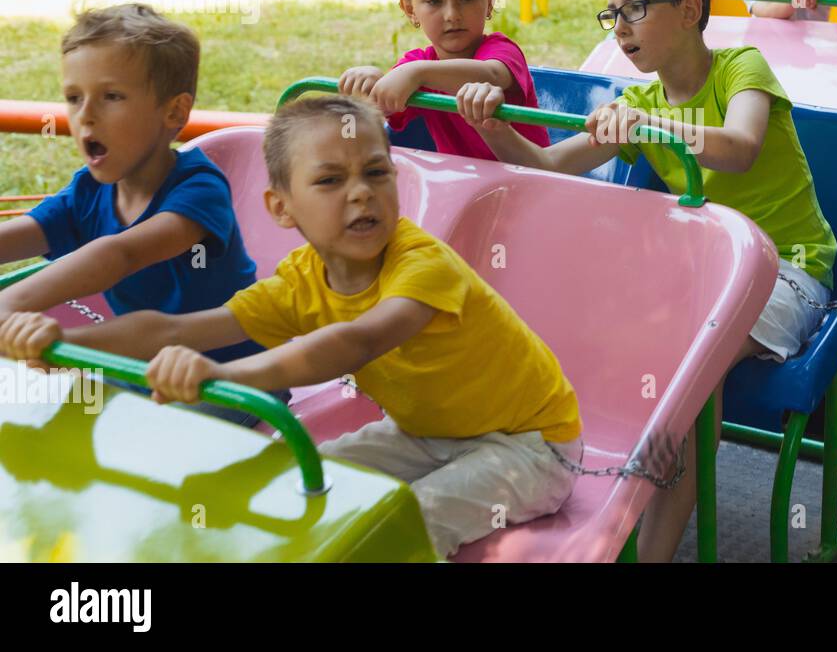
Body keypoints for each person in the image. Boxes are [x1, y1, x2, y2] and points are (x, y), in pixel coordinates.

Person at [0, 95, 583, 559]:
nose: (360, 192)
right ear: (282, 208)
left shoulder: (421, 263)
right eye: (329, 181)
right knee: (307, 486)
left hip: (532, 445)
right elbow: (176, 329)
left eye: (376, 172)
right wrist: (64, 345)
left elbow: (352, 342)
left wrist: (223, 373)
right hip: (428, 435)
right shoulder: (300, 281)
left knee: (405, 520)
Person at [454, 0, 837, 562]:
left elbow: (739, 148)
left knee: (688, 374)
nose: (621, 27)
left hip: (786, 273)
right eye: (613, 14)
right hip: (706, 279)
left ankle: (649, 550)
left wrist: (653, 126)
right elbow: (549, 163)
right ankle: (573, 507)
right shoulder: (641, 100)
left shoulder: (741, 67)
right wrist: (491, 126)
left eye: (637, 8)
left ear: (689, 11)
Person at [0, 5, 261, 401]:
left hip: (226, 383)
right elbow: (17, 236)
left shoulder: (199, 188)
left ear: (174, 111)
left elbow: (121, 254)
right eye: (73, 97)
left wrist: (11, 304)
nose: (85, 116)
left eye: (111, 97)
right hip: (136, 368)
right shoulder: (86, 193)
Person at [340, 0, 549, 159]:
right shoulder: (416, 65)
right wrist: (365, 93)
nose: (452, 15)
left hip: (532, 181)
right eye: (434, 1)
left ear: (490, 2)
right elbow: (358, 130)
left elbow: (492, 75)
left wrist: (416, 74)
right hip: (463, 185)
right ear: (409, 9)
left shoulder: (501, 50)